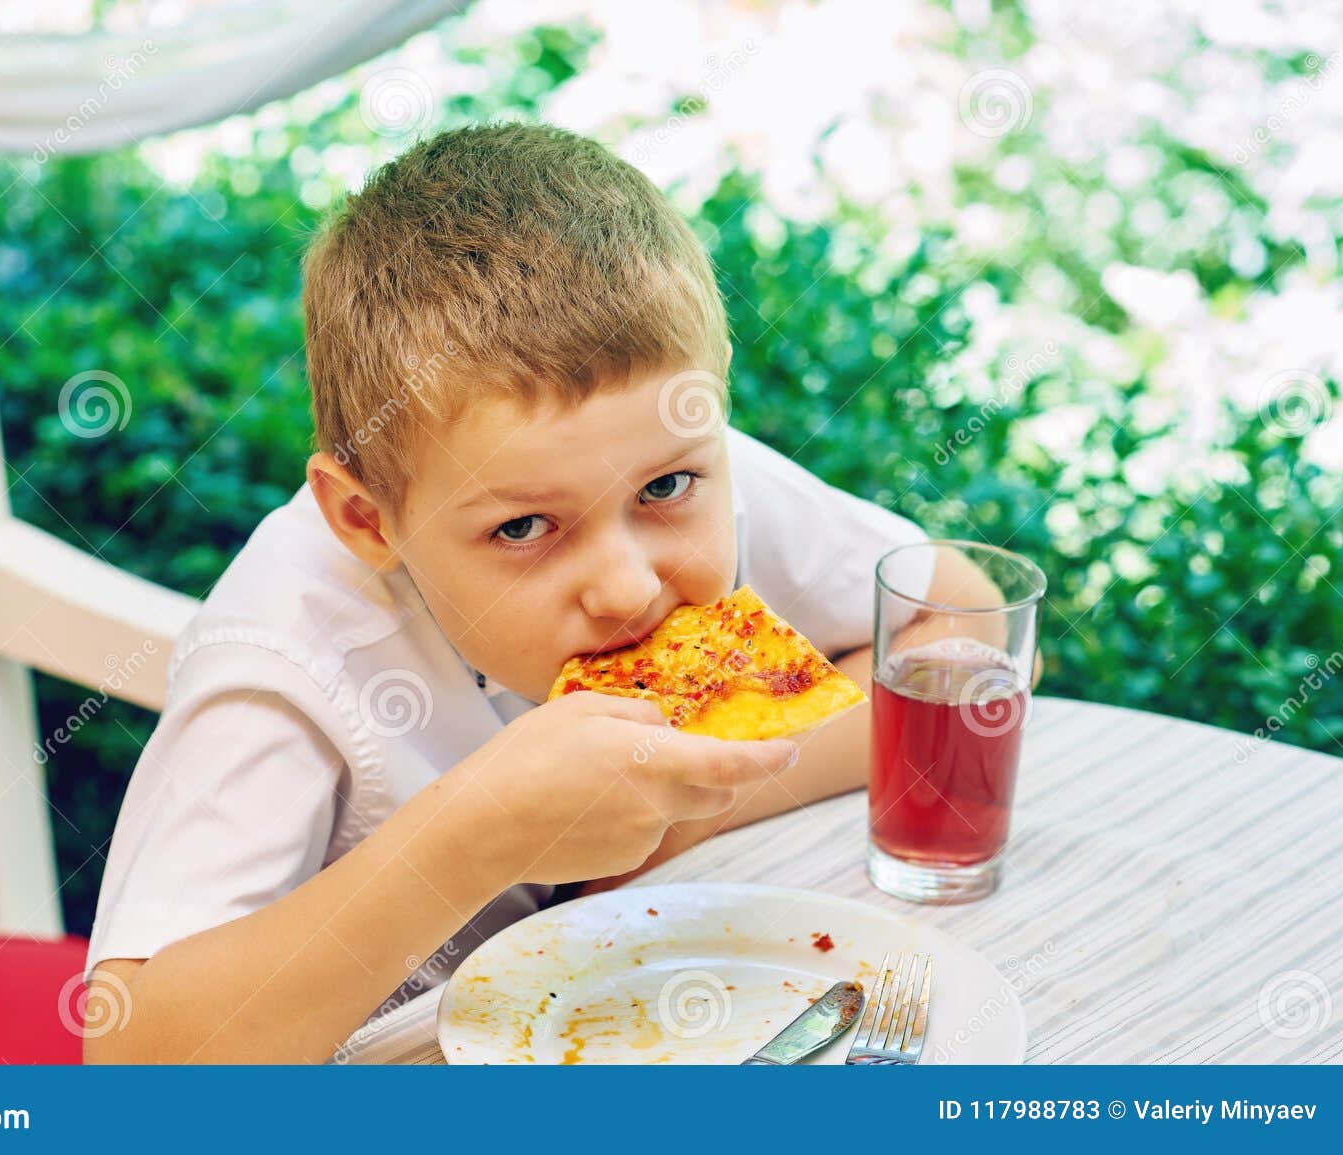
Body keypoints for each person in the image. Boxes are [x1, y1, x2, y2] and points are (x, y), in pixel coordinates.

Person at [83, 123, 966, 1064]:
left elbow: (959, 620)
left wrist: (695, 810)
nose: (628, 584)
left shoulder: (655, 448)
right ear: (367, 520)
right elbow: (133, 1059)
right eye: (522, 529)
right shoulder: (289, 656)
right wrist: (479, 837)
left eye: (666, 490)